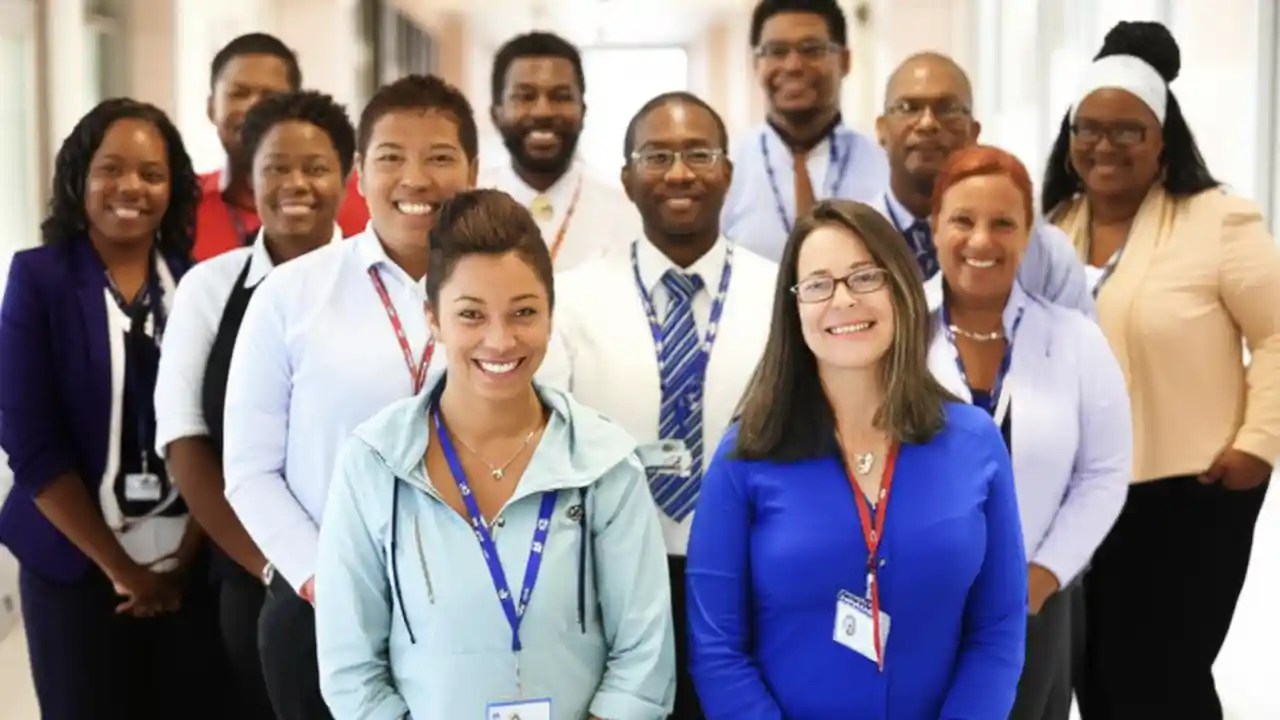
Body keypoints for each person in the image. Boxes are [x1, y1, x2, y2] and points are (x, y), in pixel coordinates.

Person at [315, 189, 675, 720]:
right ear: (433, 319)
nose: (500, 340)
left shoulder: (605, 462)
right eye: (471, 315)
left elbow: (642, 660)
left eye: (523, 312)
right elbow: (351, 669)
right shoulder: (373, 462)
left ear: (551, 316)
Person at [686, 199, 1027, 719]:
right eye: (818, 284)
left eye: (865, 277)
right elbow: (716, 647)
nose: (842, 299)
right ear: (794, 308)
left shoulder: (975, 441)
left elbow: (998, 629)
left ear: (901, 291)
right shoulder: (746, 455)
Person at [1042, 22, 1280, 720]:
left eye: (1127, 131)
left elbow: (1277, 335)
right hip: (1084, 495)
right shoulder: (1054, 226)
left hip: (1192, 493)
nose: (1104, 145)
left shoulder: (1219, 219)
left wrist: (1257, 446)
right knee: (1098, 676)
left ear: (1162, 141)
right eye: (1089, 128)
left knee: (1164, 678)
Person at [222, 74, 474, 720]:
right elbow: (249, 470)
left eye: (439, 157)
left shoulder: (504, 292)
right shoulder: (290, 295)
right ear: (360, 173)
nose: (415, 179)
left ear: (473, 170)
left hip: (475, 605)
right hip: (322, 612)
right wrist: (321, 580)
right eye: (391, 157)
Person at [541, 92, 777, 719]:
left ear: (728, 171)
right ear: (626, 178)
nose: (679, 172)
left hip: (748, 574)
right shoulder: (570, 299)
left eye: (699, 154)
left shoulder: (782, 293)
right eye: (657, 155)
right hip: (613, 578)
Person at [0, 99, 222, 719]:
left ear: (172, 187)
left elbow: (226, 434)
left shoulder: (200, 286)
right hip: (75, 570)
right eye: (111, 169)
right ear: (79, 179)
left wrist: (184, 560)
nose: (131, 187)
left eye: (151, 174)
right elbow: (30, 444)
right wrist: (123, 569)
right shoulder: (38, 280)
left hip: (190, 573)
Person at [154, 90, 356, 720]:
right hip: (255, 576)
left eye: (317, 167)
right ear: (249, 176)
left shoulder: (378, 278)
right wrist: (277, 568)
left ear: (347, 177)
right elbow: (184, 437)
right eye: (276, 167)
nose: (297, 183)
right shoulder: (210, 287)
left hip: (382, 578)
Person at [926, 145, 1130, 720]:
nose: (982, 241)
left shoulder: (1075, 340)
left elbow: (1105, 473)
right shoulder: (897, 336)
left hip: (1036, 605)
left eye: (1004, 224)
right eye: (962, 220)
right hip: (919, 605)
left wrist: (1041, 578)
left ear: (1028, 235)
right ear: (935, 226)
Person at [874, 53, 1092, 314]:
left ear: (974, 133)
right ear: (881, 130)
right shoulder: (852, 239)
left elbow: (1079, 348)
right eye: (908, 108)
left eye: (948, 109)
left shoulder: (1046, 252)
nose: (928, 123)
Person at [721, 0, 889, 262]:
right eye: (777, 51)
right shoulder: (728, 169)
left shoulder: (883, 165)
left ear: (844, 61)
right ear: (756, 63)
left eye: (811, 50)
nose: (793, 66)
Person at [195, 32, 368, 261]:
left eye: (271, 96)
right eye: (239, 93)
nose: (253, 108)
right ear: (211, 107)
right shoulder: (180, 206)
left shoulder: (361, 199)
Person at [479, 31, 641, 269]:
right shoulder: (463, 209)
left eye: (561, 97)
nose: (543, 111)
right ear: (497, 113)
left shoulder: (626, 213)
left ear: (583, 112)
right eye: (525, 96)